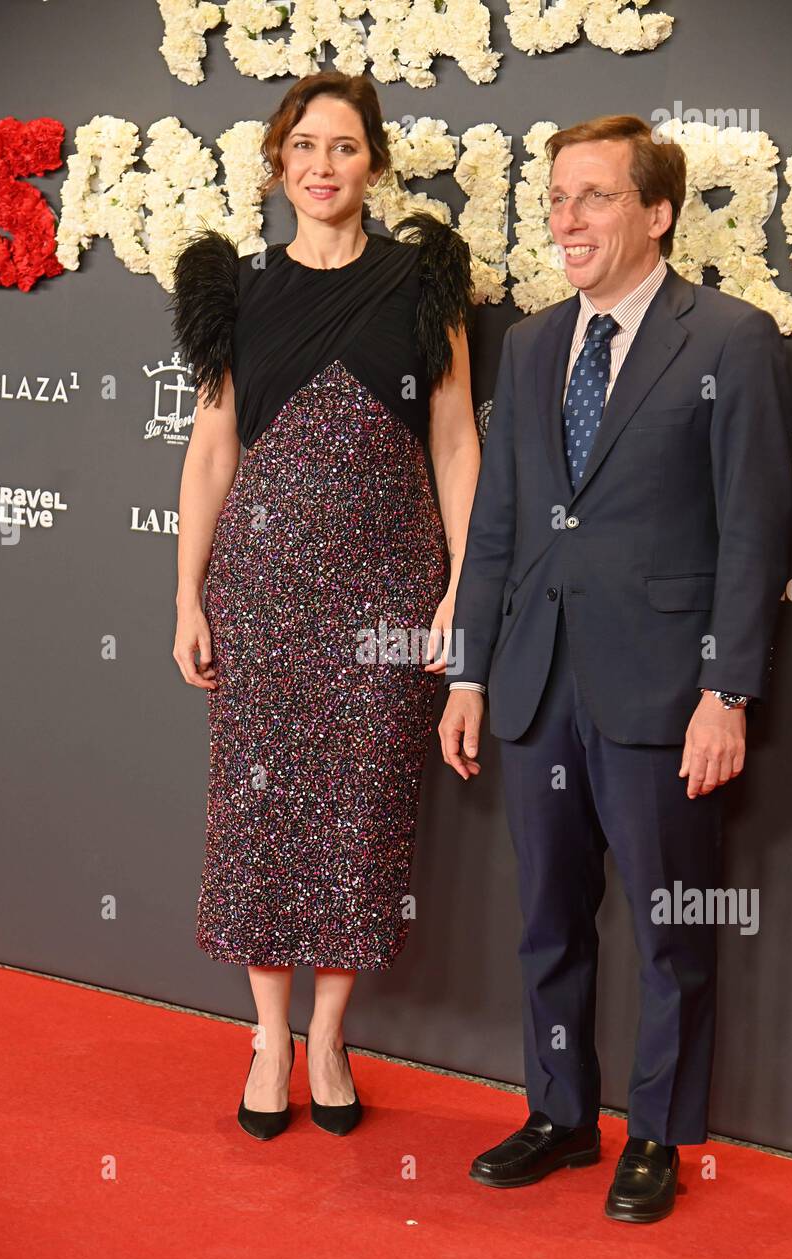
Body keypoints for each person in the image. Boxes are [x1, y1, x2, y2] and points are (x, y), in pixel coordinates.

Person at [439, 114, 792, 1221]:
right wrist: (468, 673)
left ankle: (657, 1133)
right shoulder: (534, 344)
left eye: (593, 195)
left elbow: (754, 530)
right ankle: (559, 1115)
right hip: (537, 681)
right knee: (548, 921)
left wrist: (725, 692)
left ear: (657, 212)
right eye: (556, 197)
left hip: (663, 689)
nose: (567, 218)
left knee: (666, 927)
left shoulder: (729, 338)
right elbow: (497, 523)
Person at [171, 72, 478, 1141]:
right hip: (260, 588)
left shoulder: (424, 283)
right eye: (304, 145)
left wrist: (460, 583)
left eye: (344, 146)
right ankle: (268, 1038)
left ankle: (331, 1036)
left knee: (364, 808)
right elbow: (212, 452)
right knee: (258, 812)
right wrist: (186, 594)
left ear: (374, 164)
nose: (322, 165)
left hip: (388, 589)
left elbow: (455, 442)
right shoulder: (238, 288)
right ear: (278, 161)